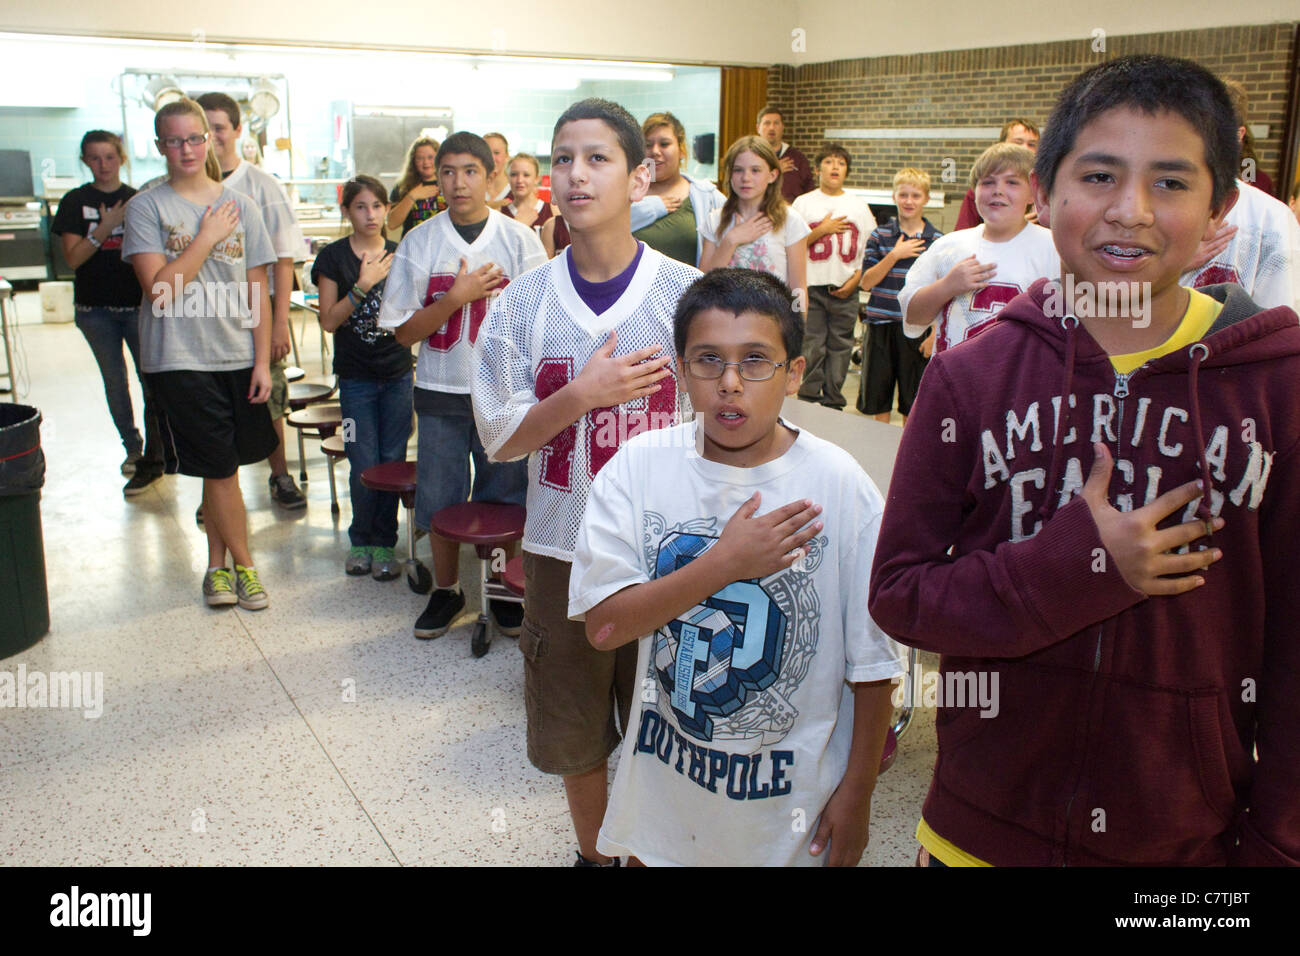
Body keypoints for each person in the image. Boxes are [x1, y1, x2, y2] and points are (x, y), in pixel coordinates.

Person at [869, 53, 1300, 867]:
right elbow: (900, 596)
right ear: (1046, 188)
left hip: (1180, 850)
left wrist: (1275, 849)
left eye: (1171, 183)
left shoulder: (1281, 388)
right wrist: (1075, 568)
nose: (1129, 211)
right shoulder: (970, 376)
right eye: (1099, 175)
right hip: (976, 830)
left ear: (1221, 212)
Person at [569, 268, 903, 866]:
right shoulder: (637, 467)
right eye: (707, 360)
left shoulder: (839, 484)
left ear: (794, 373)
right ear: (679, 371)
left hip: (790, 813)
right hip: (666, 798)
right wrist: (724, 563)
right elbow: (603, 628)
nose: (729, 383)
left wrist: (858, 793)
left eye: (755, 360)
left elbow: (874, 665)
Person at [472, 98, 701, 867]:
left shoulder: (687, 296)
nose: (576, 175)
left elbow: (729, 426)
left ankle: (649, 852)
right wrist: (581, 396)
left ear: (640, 176)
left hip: (667, 558)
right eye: (563, 158)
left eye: (598, 158)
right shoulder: (522, 304)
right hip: (560, 553)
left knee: (665, 724)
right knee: (574, 732)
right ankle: (596, 856)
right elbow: (501, 438)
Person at [378, 132, 546, 640]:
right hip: (440, 392)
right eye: (447, 172)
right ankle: (447, 591)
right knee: (440, 499)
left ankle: (498, 589)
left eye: (470, 171)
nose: (458, 182)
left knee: (502, 496)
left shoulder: (520, 241)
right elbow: (405, 332)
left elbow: (541, 324)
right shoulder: (420, 241)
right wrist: (456, 297)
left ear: (490, 175)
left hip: (504, 396)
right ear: (437, 178)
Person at [122, 98, 277, 610]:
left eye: (195, 138)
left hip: (236, 354)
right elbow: (160, 292)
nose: (186, 148)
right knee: (221, 468)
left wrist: (261, 361)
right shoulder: (147, 207)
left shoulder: (244, 206)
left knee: (223, 466)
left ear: (208, 140)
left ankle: (216, 568)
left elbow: (258, 288)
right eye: (174, 140)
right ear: (159, 146)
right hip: (180, 359)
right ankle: (248, 569)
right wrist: (207, 237)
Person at [198, 92, 307, 512]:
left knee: (268, 397)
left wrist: (280, 324)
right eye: (200, 130)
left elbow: (283, 260)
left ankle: (279, 474)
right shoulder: (183, 190)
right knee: (210, 407)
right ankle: (218, 490)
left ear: (238, 130)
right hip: (204, 319)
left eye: (218, 128)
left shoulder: (261, 185)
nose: (209, 138)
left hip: (255, 318)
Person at [311, 175, 413, 579]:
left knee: (392, 460)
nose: (370, 215)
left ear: (388, 209)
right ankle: (361, 540)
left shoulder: (402, 253)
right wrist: (362, 286)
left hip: (397, 377)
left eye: (377, 206)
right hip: (355, 382)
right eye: (360, 207)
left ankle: (385, 543)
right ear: (347, 211)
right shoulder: (333, 257)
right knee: (361, 460)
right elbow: (328, 321)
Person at [51, 130, 163, 492]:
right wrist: (106, 227)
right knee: (115, 381)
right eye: (95, 158)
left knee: (153, 381)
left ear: (122, 158)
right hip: (95, 310)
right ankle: (133, 448)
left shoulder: (140, 199)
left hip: (137, 306)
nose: (103, 165)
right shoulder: (74, 201)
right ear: (85, 160)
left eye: (109, 157)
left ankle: (158, 453)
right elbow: (73, 258)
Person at [899, 143, 1057, 354]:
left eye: (1012, 182)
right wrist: (947, 286)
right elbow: (912, 317)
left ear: (1033, 194)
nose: (998, 191)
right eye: (988, 182)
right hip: (952, 381)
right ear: (974, 192)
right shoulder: (947, 247)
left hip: (1021, 382)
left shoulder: (1054, 249)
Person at [792, 145, 876, 409]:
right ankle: (808, 397)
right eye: (829, 162)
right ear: (818, 169)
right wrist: (823, 230)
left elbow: (869, 249)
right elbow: (791, 244)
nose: (835, 167)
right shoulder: (803, 203)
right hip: (811, 286)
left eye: (840, 163)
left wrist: (857, 280)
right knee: (812, 344)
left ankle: (833, 402)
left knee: (841, 345)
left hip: (846, 287)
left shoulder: (858, 206)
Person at [857, 168, 943, 424]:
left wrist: (934, 334)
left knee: (912, 401)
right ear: (894, 196)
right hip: (880, 325)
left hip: (916, 328)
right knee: (877, 398)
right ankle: (879, 453)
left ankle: (905, 457)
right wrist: (895, 255)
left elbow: (942, 293)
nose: (908, 201)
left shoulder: (937, 240)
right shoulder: (880, 235)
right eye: (903, 194)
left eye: (915, 195)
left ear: (926, 198)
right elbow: (866, 283)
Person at [699, 136, 809, 297]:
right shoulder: (715, 220)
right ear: (730, 174)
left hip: (773, 317)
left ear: (772, 175)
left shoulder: (791, 220)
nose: (746, 178)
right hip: (725, 318)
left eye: (755, 170)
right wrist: (730, 241)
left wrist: (798, 321)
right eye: (738, 170)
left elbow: (798, 288)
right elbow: (703, 286)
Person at [630, 111, 725, 266]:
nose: (655, 151)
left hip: (690, 289)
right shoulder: (625, 195)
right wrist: (650, 208)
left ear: (681, 150)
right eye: (648, 145)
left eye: (664, 144)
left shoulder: (707, 196)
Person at [954, 119, 1039, 230]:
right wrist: (1012, 225)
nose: (1025, 148)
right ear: (1001, 145)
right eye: (1018, 143)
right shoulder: (980, 191)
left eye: (1031, 144)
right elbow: (963, 234)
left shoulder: (1048, 192)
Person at [387, 137, 446, 237]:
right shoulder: (402, 187)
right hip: (413, 246)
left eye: (430, 157)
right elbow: (391, 224)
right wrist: (412, 196)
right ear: (413, 161)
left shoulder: (450, 183)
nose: (426, 163)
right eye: (420, 158)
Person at [756, 106, 813, 203]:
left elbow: (809, 191)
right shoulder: (750, 156)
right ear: (758, 128)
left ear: (783, 127)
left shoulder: (798, 158)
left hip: (791, 212)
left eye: (776, 123)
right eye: (767, 123)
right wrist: (775, 171)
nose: (772, 127)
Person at [501, 153, 556, 233]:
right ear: (508, 178)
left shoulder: (553, 211)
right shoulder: (499, 213)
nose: (519, 180)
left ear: (537, 178)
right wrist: (521, 224)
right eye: (514, 175)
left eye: (526, 175)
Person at [483, 133, 513, 209]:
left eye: (496, 153)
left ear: (507, 156)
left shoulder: (517, 189)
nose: (491, 158)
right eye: (487, 152)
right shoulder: (472, 189)